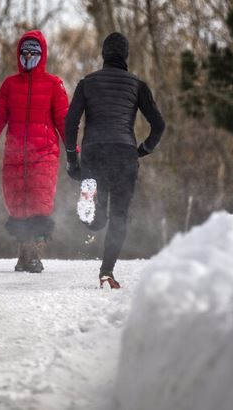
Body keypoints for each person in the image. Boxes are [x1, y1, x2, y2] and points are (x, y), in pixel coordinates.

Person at [64, 32, 165, 289]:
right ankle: (106, 271)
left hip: (93, 154)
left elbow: (71, 121)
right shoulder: (137, 85)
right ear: (126, 56)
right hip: (124, 155)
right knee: (119, 216)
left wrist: (72, 158)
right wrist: (143, 149)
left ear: (103, 54)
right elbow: (159, 124)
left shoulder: (87, 82)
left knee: (95, 216)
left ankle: (91, 210)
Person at [0, 30, 69, 273]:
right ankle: (23, 254)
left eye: (34, 52)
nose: (29, 56)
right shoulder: (10, 84)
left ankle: (35, 255)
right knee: (18, 204)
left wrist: (74, 151)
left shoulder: (53, 84)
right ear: (19, 54)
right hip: (16, 154)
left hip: (44, 154)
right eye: (25, 52)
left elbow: (64, 121)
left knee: (39, 204)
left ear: (42, 54)